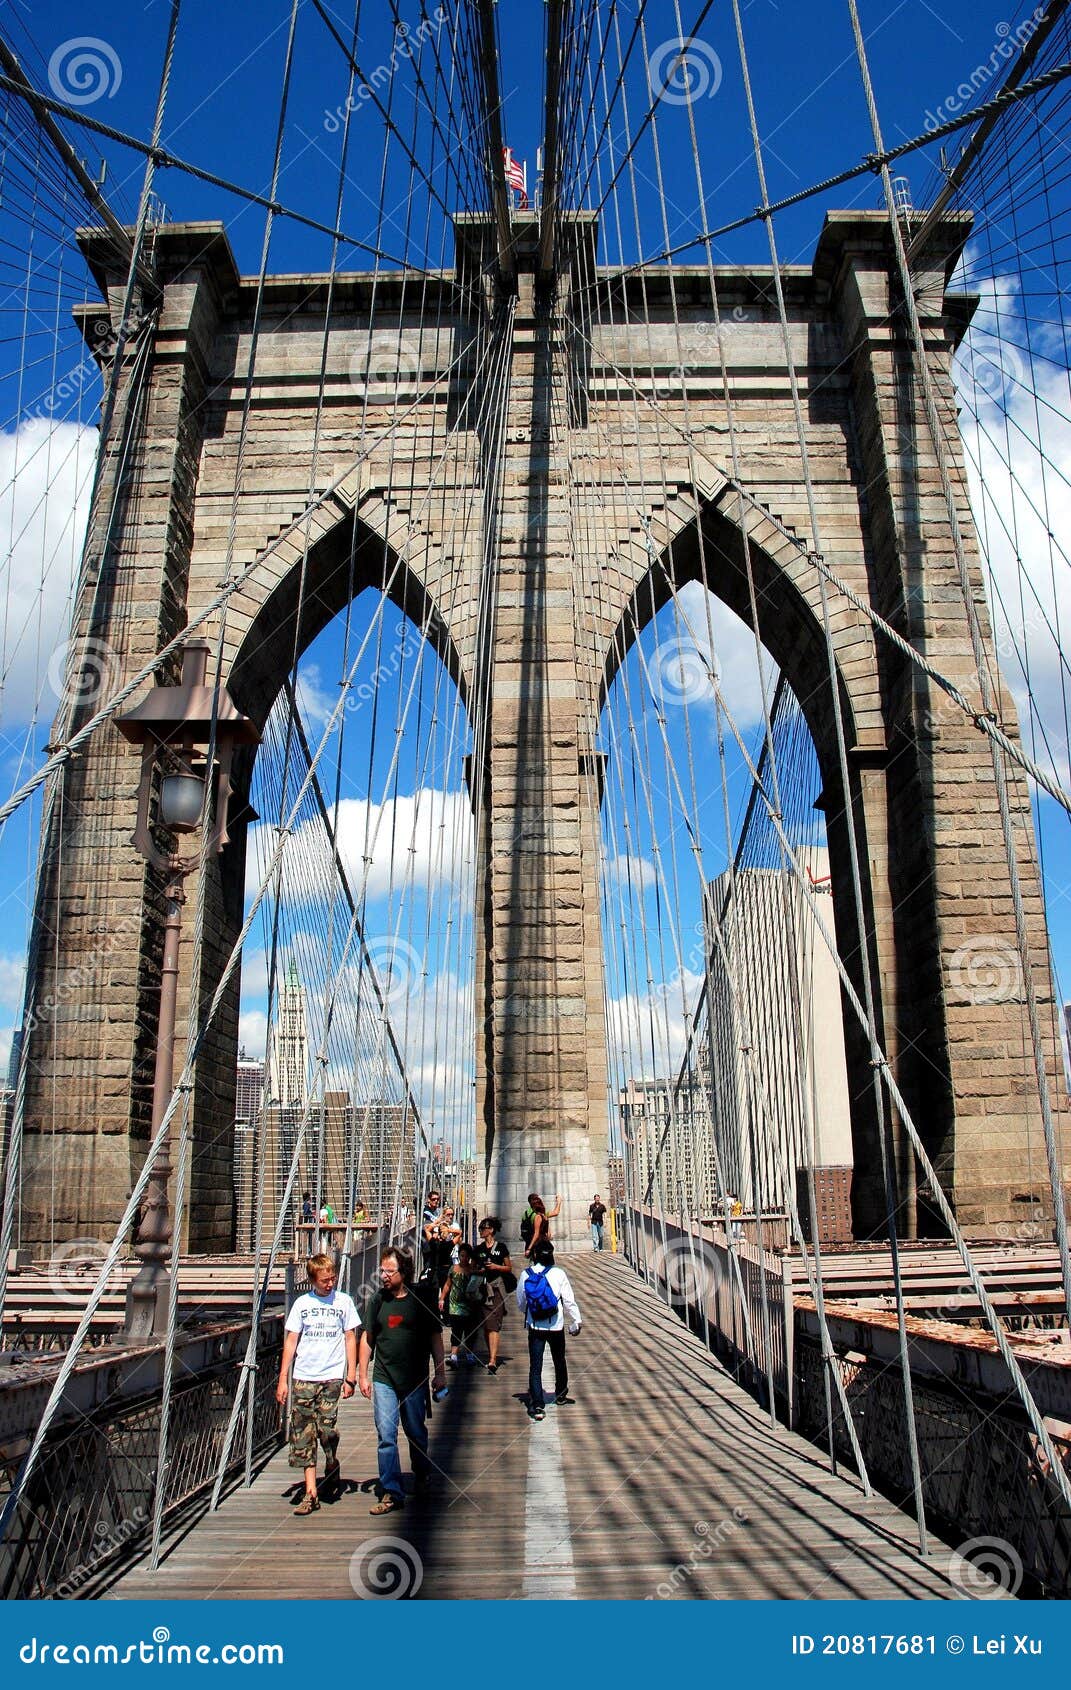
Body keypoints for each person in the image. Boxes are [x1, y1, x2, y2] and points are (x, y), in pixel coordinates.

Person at [359, 1244, 446, 1513]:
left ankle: (421, 1473)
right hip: (384, 1377)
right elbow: (367, 1338)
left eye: (389, 1271)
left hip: (415, 1378)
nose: (384, 1276)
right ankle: (391, 1492)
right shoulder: (376, 1301)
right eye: (381, 1270)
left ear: (403, 1272)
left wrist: (440, 1373)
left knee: (415, 1431)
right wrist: (362, 1374)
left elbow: (435, 1337)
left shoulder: (419, 1301)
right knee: (386, 1435)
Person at [276, 1252, 359, 1515]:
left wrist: (351, 1375)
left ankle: (332, 1462)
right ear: (313, 1280)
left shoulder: (344, 1302)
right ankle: (311, 1492)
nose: (330, 1284)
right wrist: (283, 1379)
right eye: (324, 1280)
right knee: (303, 1433)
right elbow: (291, 1341)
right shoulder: (302, 1304)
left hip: (332, 1376)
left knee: (326, 1430)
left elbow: (350, 1338)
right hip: (304, 1375)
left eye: (332, 1278)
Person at [516, 1239, 581, 1420]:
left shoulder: (526, 1274)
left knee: (535, 1366)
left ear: (535, 1255)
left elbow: (521, 1302)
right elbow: (568, 1300)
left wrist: (531, 1314)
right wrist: (576, 1321)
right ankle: (560, 1395)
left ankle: (537, 1403)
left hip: (535, 1326)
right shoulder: (559, 1273)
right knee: (559, 1360)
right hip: (556, 1325)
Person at [473, 1215, 512, 1373]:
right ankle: (491, 1355)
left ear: (491, 1230)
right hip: (482, 1291)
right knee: (486, 1326)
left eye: (482, 1228)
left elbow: (508, 1267)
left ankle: (492, 1360)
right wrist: (480, 1270)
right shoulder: (479, 1250)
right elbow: (472, 1268)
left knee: (493, 1325)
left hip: (496, 1290)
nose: (480, 1231)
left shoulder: (501, 1248)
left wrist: (496, 1267)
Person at [440, 1241, 483, 1368]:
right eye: (462, 1255)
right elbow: (448, 1284)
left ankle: (469, 1355)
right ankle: (454, 1356)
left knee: (470, 1331)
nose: (464, 1258)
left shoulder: (472, 1270)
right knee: (456, 1331)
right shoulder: (453, 1269)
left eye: (466, 1256)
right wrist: (442, 1298)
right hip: (455, 1305)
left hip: (469, 1305)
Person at [524, 1192, 561, 1257]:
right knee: (540, 1263)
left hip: (529, 1240)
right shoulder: (539, 1215)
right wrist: (559, 1201)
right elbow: (556, 1212)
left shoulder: (526, 1213)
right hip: (538, 1243)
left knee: (534, 1263)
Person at [421, 1189, 443, 1272]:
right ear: (429, 1200)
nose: (436, 1201)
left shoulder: (436, 1212)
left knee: (436, 1268)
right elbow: (427, 1228)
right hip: (428, 1244)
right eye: (434, 1199)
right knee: (428, 1268)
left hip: (437, 1243)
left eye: (437, 1199)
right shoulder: (426, 1212)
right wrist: (439, 1220)